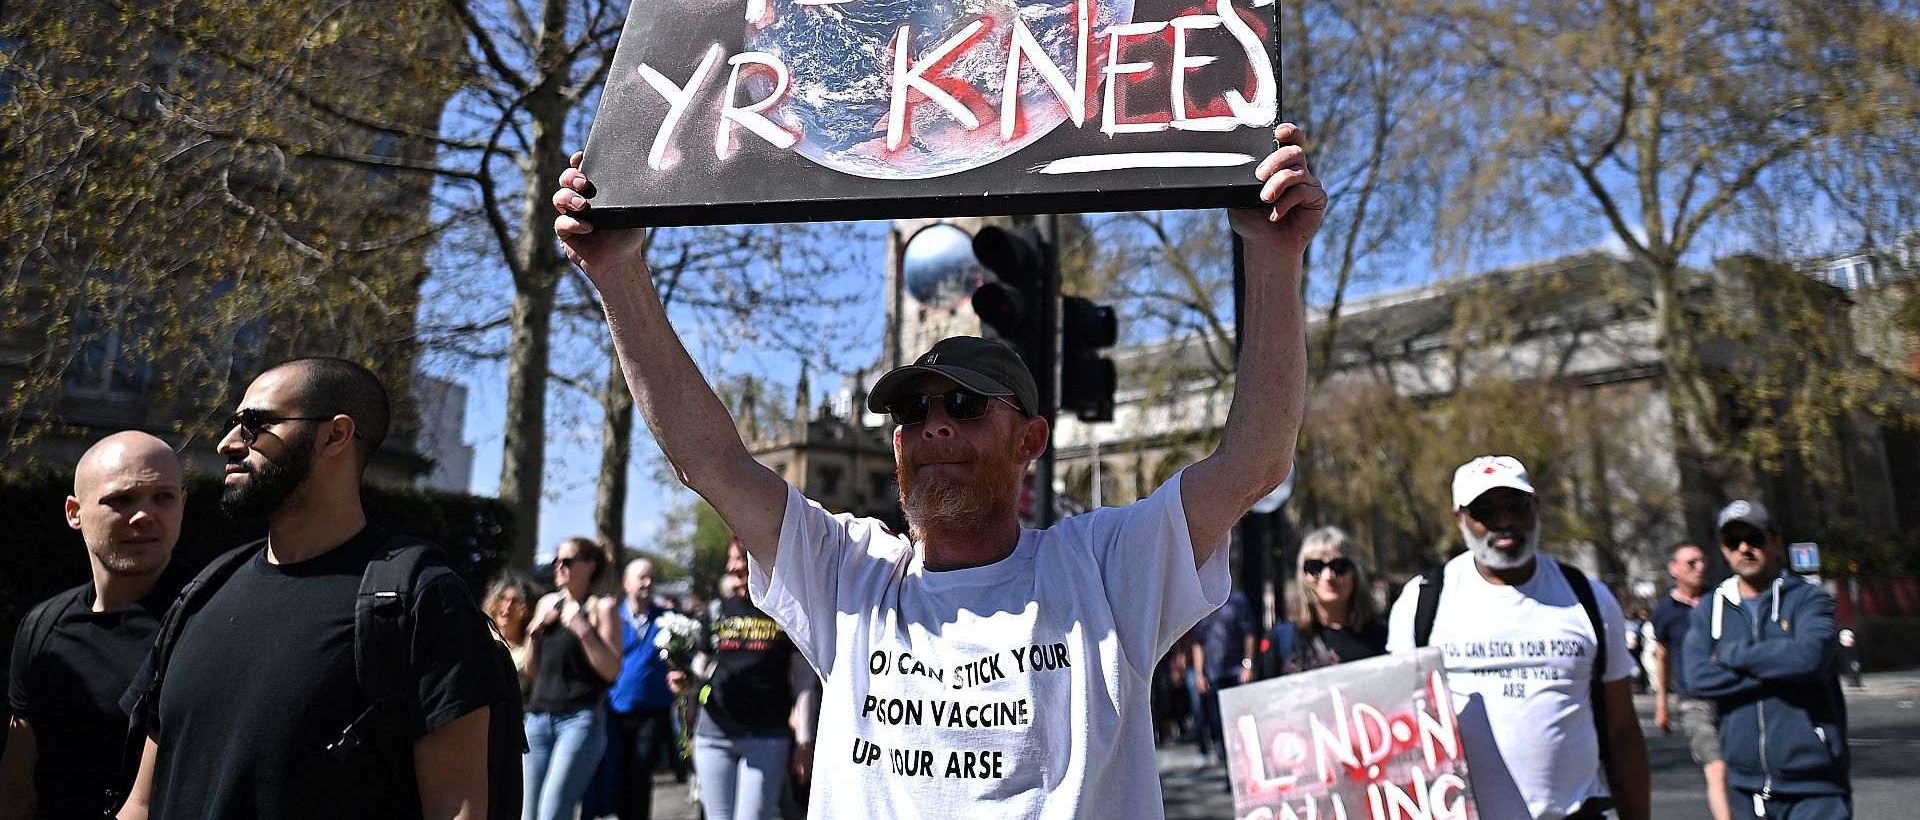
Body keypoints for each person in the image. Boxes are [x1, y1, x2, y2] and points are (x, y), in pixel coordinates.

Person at [552, 122, 1323, 817]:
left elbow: (1255, 463)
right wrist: (619, 276)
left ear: (1030, 441)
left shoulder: (1104, 569)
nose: (935, 425)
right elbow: (709, 461)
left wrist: (1272, 256)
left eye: (965, 403)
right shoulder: (846, 574)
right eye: (911, 412)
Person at [117, 357, 512, 820]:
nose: (228, 443)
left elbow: (456, 809)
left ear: (334, 436)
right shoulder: (204, 593)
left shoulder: (419, 600)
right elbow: (141, 801)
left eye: (254, 425)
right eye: (231, 425)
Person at [1386, 455, 1650, 820]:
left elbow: (1622, 733)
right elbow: (1399, 736)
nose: (1505, 521)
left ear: (1536, 506)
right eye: (1484, 511)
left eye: (1516, 505)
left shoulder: (1589, 598)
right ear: (1460, 518)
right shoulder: (1422, 601)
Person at [2, 433, 186, 820]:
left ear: (182, 505)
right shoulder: (42, 626)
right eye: (121, 499)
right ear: (75, 512)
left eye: (163, 497)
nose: (144, 515)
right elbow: (17, 788)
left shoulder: (200, 626)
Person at [1683, 501, 1849, 819]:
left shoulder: (1810, 598)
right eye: (1733, 542)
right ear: (1723, 549)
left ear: (1775, 541)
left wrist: (1729, 654)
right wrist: (1780, 663)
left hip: (1815, 788)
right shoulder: (1710, 608)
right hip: (1744, 787)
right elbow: (1698, 677)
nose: (1744, 549)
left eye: (1754, 539)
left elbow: (1809, 659)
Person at [686, 537, 818, 820]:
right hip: (713, 733)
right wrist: (684, 682)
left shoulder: (786, 610)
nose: (730, 566)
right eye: (730, 559)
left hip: (767, 736)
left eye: (738, 558)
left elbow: (804, 681)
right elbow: (702, 666)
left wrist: (805, 741)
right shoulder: (717, 609)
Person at [523, 537, 622, 820]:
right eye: (556, 561)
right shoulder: (547, 604)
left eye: (567, 561)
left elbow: (611, 670)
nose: (559, 566)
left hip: (578, 721)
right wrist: (534, 633)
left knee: (552, 813)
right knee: (527, 814)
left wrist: (582, 629)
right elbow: (531, 670)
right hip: (538, 719)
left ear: (590, 565)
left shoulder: (601, 608)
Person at [1650, 541, 1732, 820]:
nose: (1700, 567)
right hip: (1693, 699)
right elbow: (1662, 658)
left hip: (1731, 694)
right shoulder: (1664, 611)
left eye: (1702, 561)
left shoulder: (1720, 600)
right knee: (1716, 767)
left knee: (1743, 765)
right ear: (1673, 569)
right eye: (1691, 563)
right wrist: (1662, 705)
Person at [605, 556, 684, 820]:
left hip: (653, 711)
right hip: (614, 711)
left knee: (639, 775)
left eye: (652, 578)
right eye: (642, 577)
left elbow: (683, 658)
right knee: (614, 774)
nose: (648, 583)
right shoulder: (611, 618)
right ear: (626, 583)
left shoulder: (668, 620)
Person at [1266, 525, 1386, 675]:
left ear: (1355, 573)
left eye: (1339, 566)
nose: (1328, 576)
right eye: (1315, 567)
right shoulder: (1282, 639)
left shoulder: (1383, 639)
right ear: (1303, 576)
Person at [1189, 587, 1254, 764]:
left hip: (1237, 672)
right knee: (1218, 722)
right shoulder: (1203, 602)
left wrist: (1248, 664)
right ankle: (1227, 762)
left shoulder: (1238, 599)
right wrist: (1199, 674)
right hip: (1214, 674)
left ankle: (1244, 761)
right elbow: (1198, 643)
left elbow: (1249, 633)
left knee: (1240, 721)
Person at [486, 574, 541, 698]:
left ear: (527, 609)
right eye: (502, 599)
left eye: (515, 601)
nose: (507, 606)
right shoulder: (482, 638)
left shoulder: (529, 645)